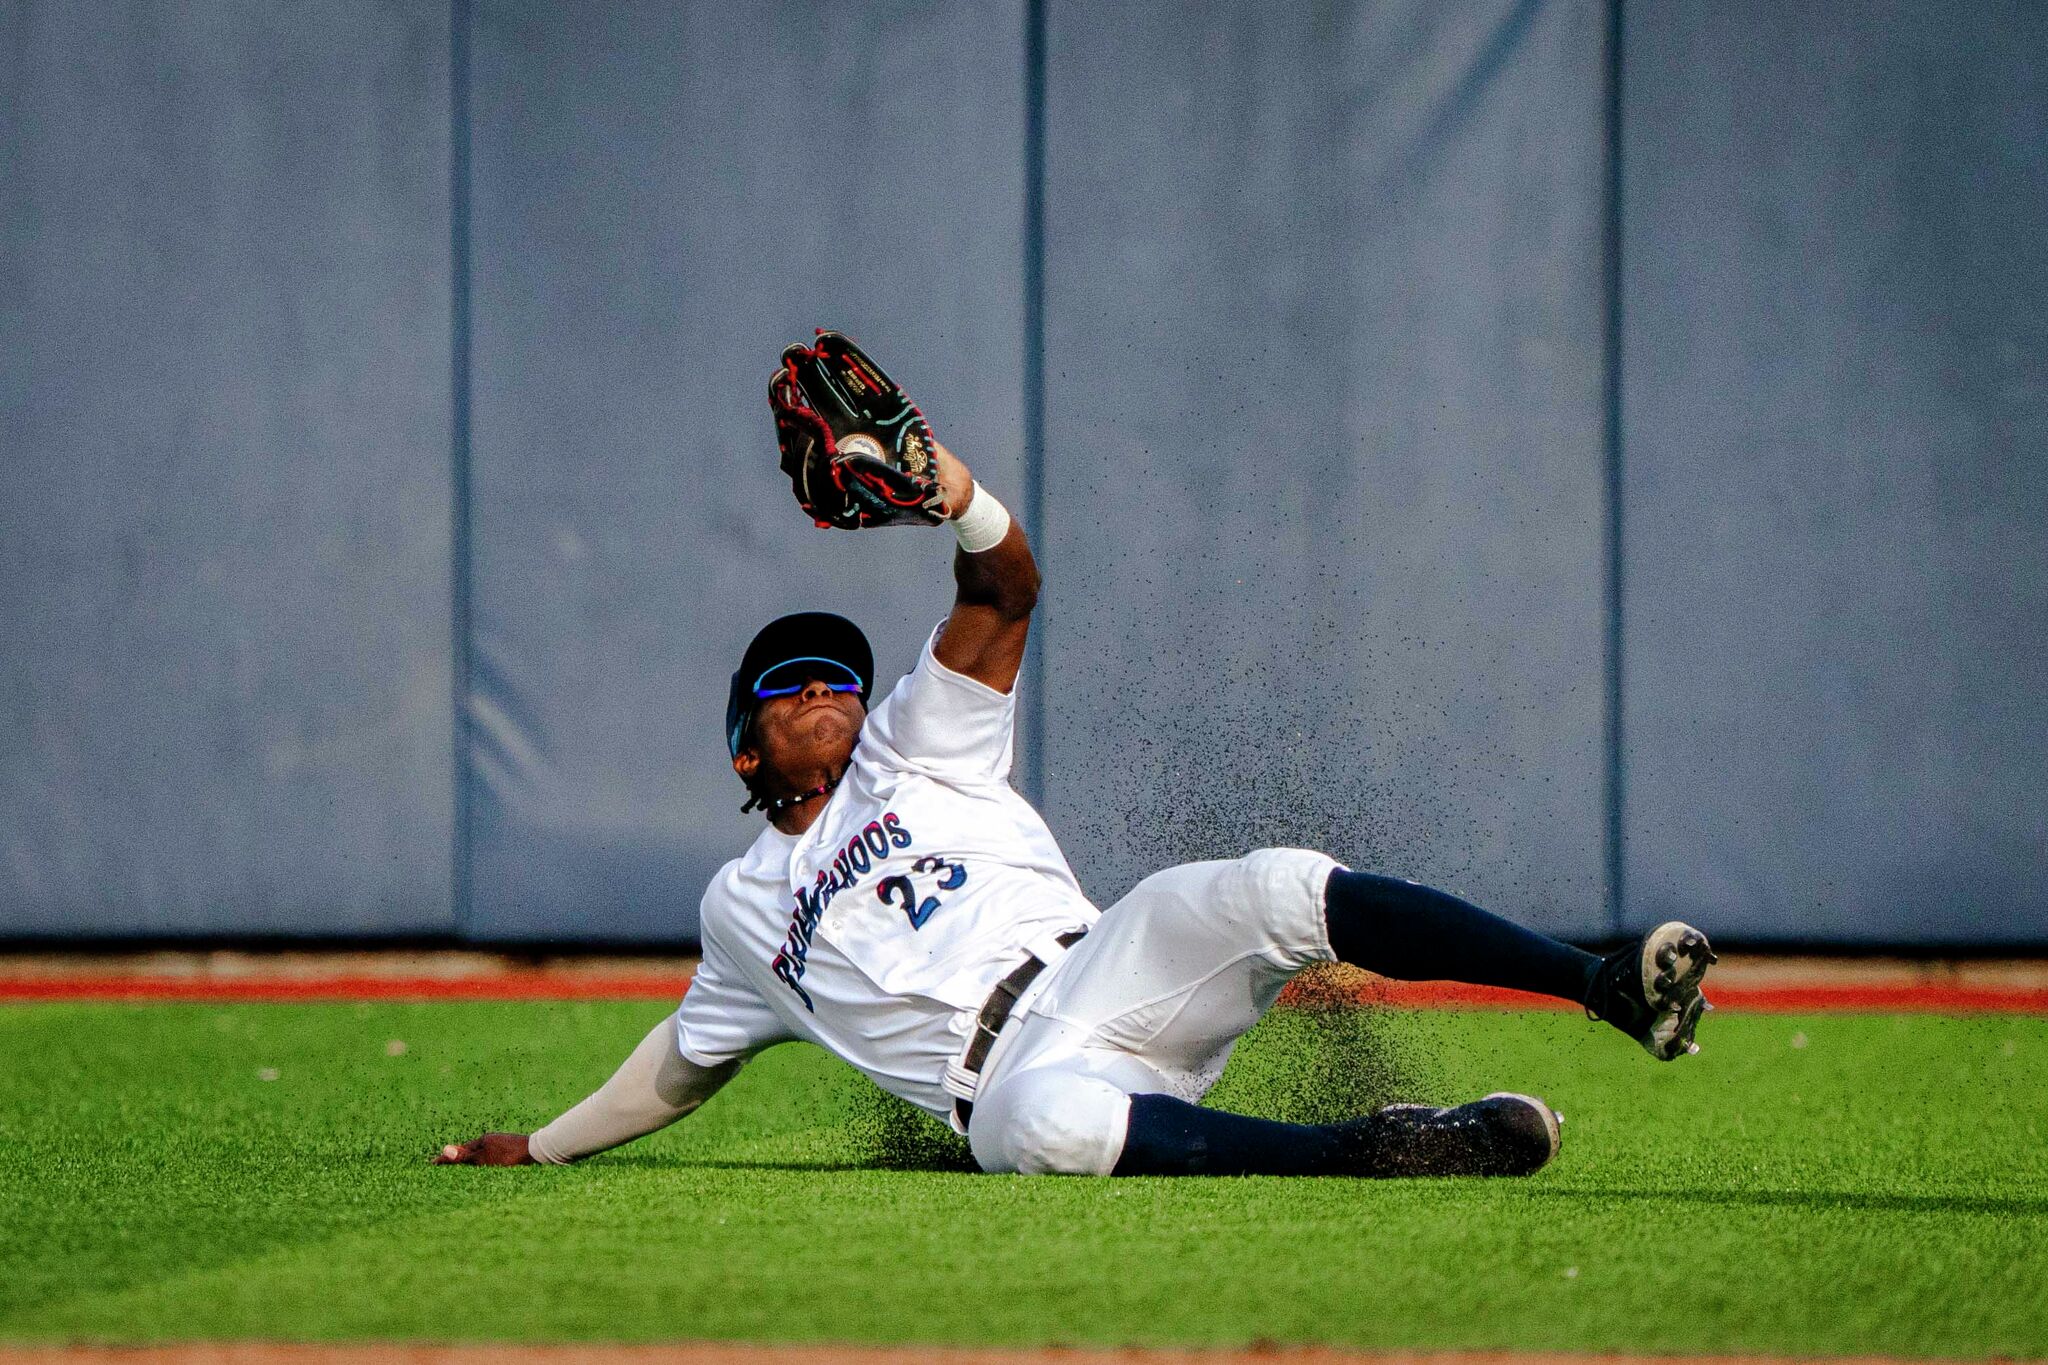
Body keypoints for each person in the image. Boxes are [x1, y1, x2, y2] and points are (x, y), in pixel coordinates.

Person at [436, 442, 1713, 1178]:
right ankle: (1374, 1149)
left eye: (836, 672)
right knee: (1032, 1128)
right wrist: (540, 1148)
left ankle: (1601, 983)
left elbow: (1002, 587)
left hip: (1107, 968)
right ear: (741, 746)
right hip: (1020, 1077)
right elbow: (681, 1062)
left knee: (1269, 883)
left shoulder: (909, 747)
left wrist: (950, 488)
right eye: (787, 682)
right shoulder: (739, 909)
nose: (822, 687)